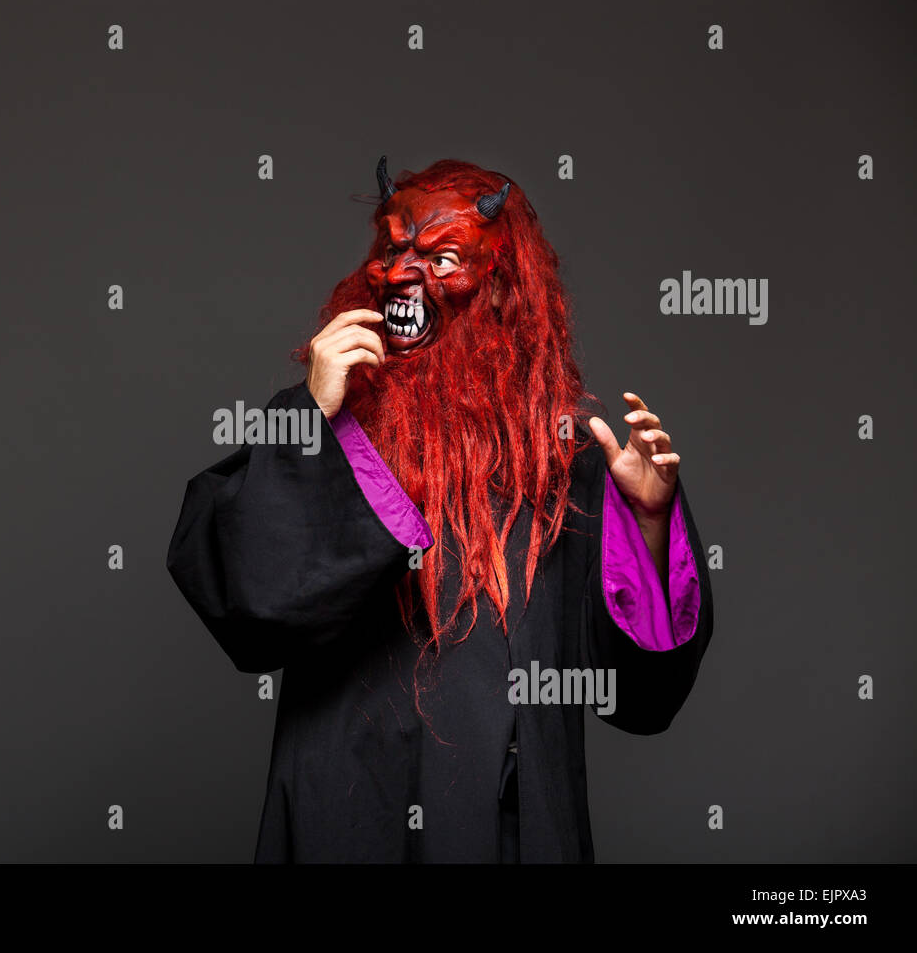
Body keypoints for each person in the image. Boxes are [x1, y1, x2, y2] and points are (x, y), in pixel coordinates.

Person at [167, 157, 714, 862]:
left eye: (441, 257)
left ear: (501, 284)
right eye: (393, 248)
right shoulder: (329, 424)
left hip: (509, 824)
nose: (402, 273)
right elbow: (248, 606)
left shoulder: (569, 454)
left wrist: (646, 524)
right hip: (348, 807)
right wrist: (310, 413)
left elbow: (641, 701)